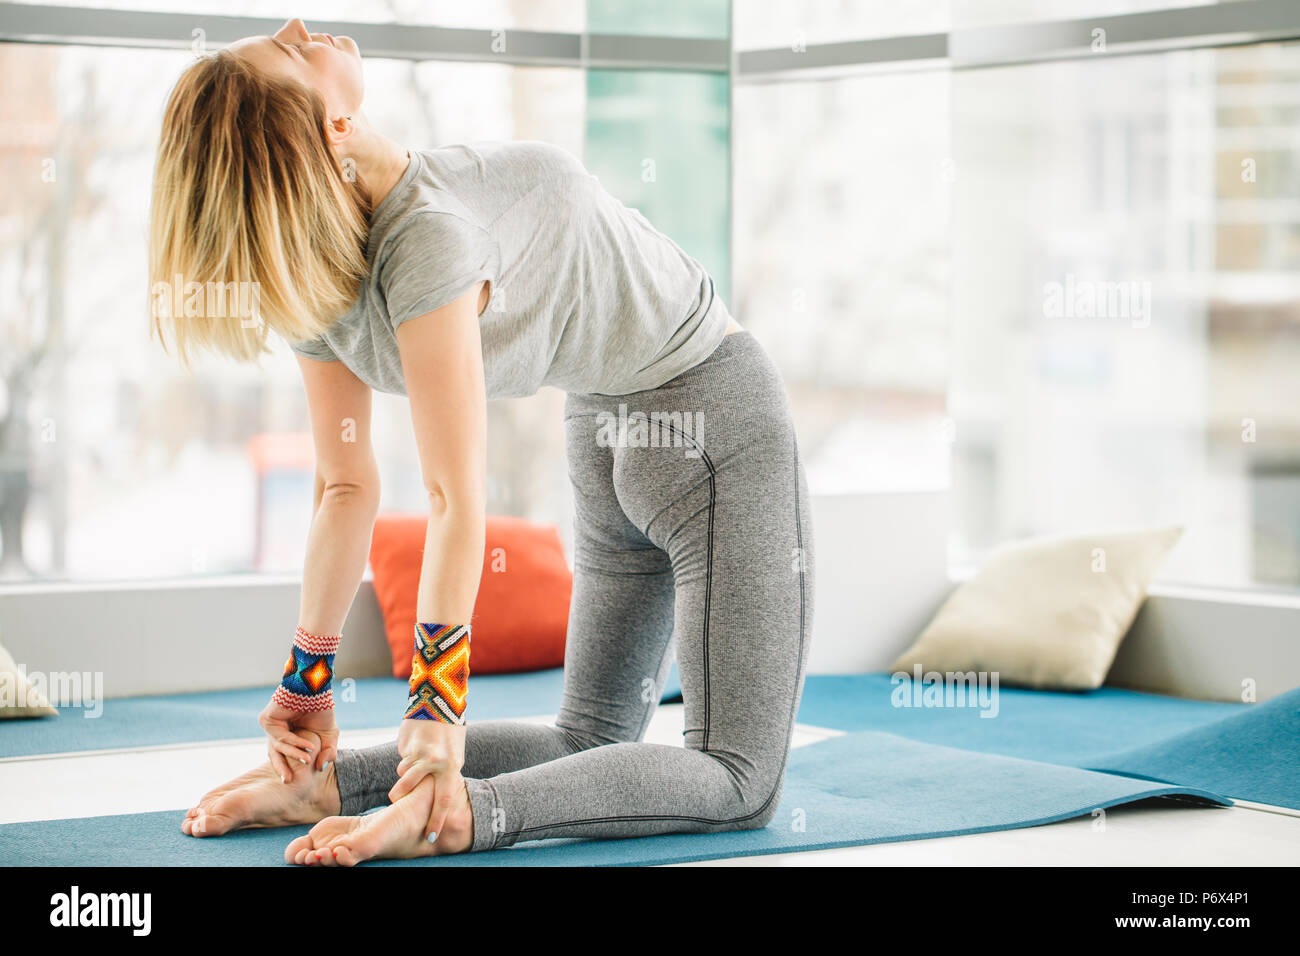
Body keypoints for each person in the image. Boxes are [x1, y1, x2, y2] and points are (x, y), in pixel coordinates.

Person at [151, 17, 815, 865]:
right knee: (740, 778)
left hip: (604, 428)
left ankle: (332, 788)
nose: (296, 24)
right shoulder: (413, 236)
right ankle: (458, 816)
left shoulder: (321, 252)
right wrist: (429, 709)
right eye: (288, 50)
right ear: (332, 127)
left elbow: (345, 489)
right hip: (715, 420)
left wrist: (312, 686)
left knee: (591, 735)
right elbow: (449, 500)